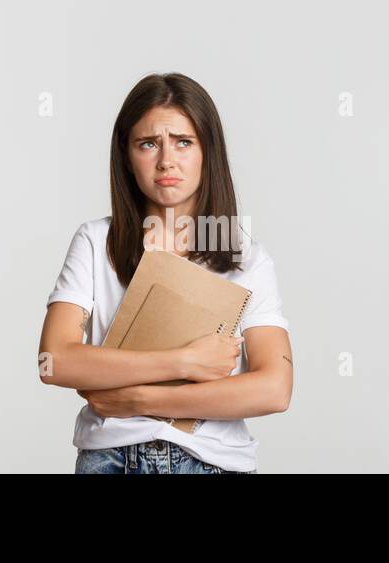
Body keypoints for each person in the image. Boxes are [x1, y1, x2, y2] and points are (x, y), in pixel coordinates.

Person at [38, 72, 293, 474]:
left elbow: (275, 389)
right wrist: (184, 362)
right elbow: (54, 360)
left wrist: (139, 401)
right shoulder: (95, 241)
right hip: (112, 460)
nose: (166, 160)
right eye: (148, 143)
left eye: (183, 142)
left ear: (208, 151)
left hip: (213, 462)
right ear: (126, 154)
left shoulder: (247, 258)